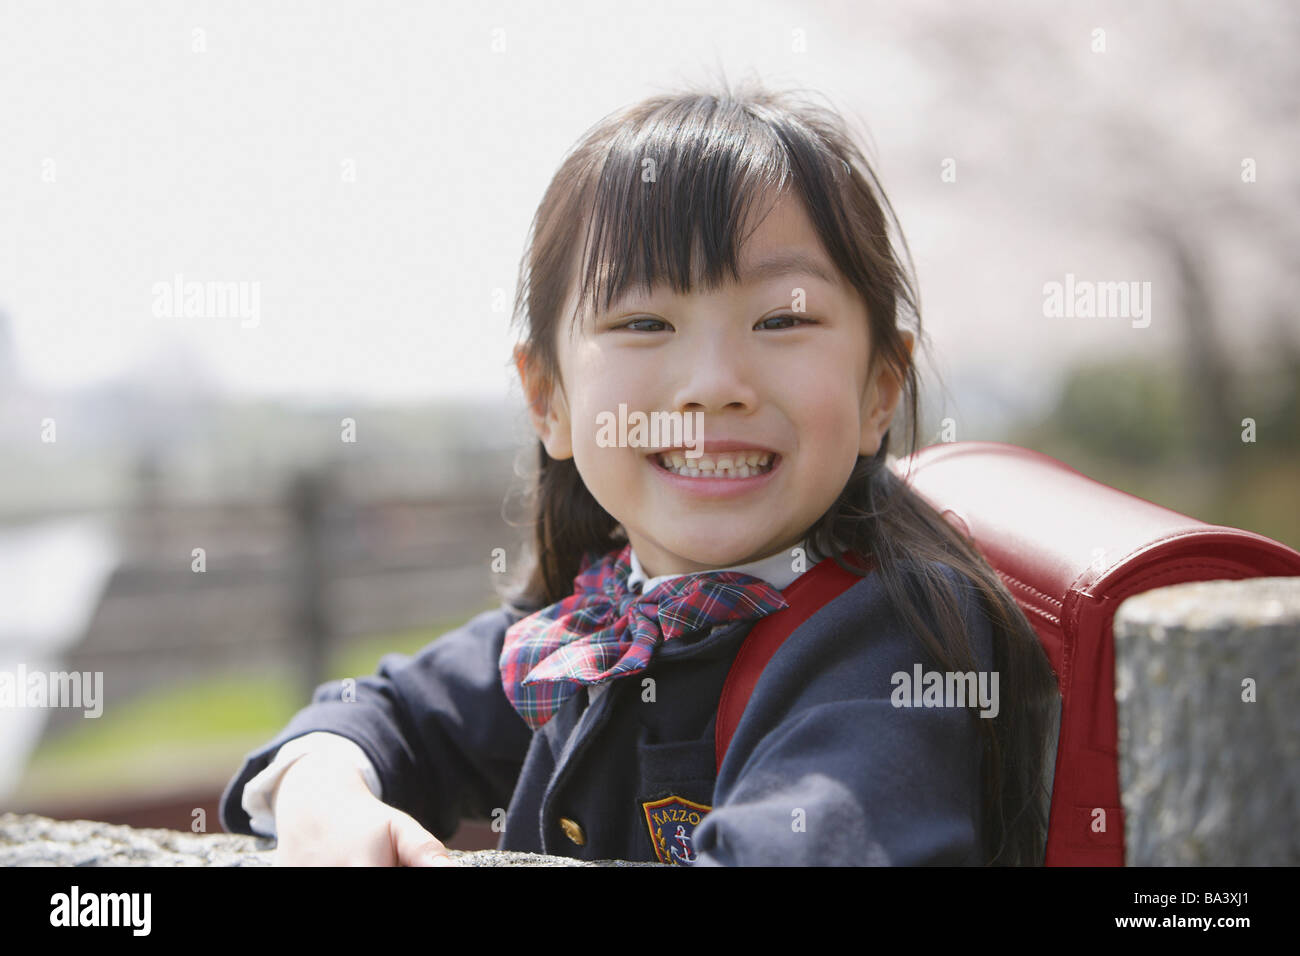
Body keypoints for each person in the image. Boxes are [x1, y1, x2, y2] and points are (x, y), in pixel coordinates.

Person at [220, 79, 1061, 866]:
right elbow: (395, 711)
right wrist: (323, 788)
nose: (714, 386)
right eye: (646, 321)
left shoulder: (889, 650)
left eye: (780, 319)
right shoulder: (595, 616)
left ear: (880, 388)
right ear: (547, 398)